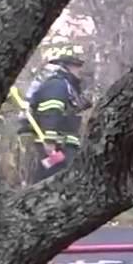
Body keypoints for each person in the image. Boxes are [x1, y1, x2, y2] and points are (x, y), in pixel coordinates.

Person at [27, 46, 91, 183]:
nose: (80, 70)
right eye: (77, 65)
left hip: (64, 146)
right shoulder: (57, 85)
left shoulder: (67, 86)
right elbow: (51, 111)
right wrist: (50, 141)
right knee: (51, 183)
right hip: (57, 148)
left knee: (53, 182)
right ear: (65, 66)